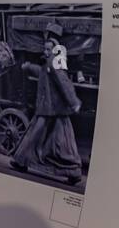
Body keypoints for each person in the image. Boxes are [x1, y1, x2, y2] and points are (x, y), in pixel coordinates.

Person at [10, 23, 83, 185]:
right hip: (49, 109)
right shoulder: (51, 62)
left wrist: (74, 102)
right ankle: (72, 172)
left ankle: (72, 171)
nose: (45, 51)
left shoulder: (55, 63)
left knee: (51, 140)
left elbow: (64, 83)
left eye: (48, 49)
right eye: (45, 49)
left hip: (53, 110)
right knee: (56, 141)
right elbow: (43, 73)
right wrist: (29, 67)